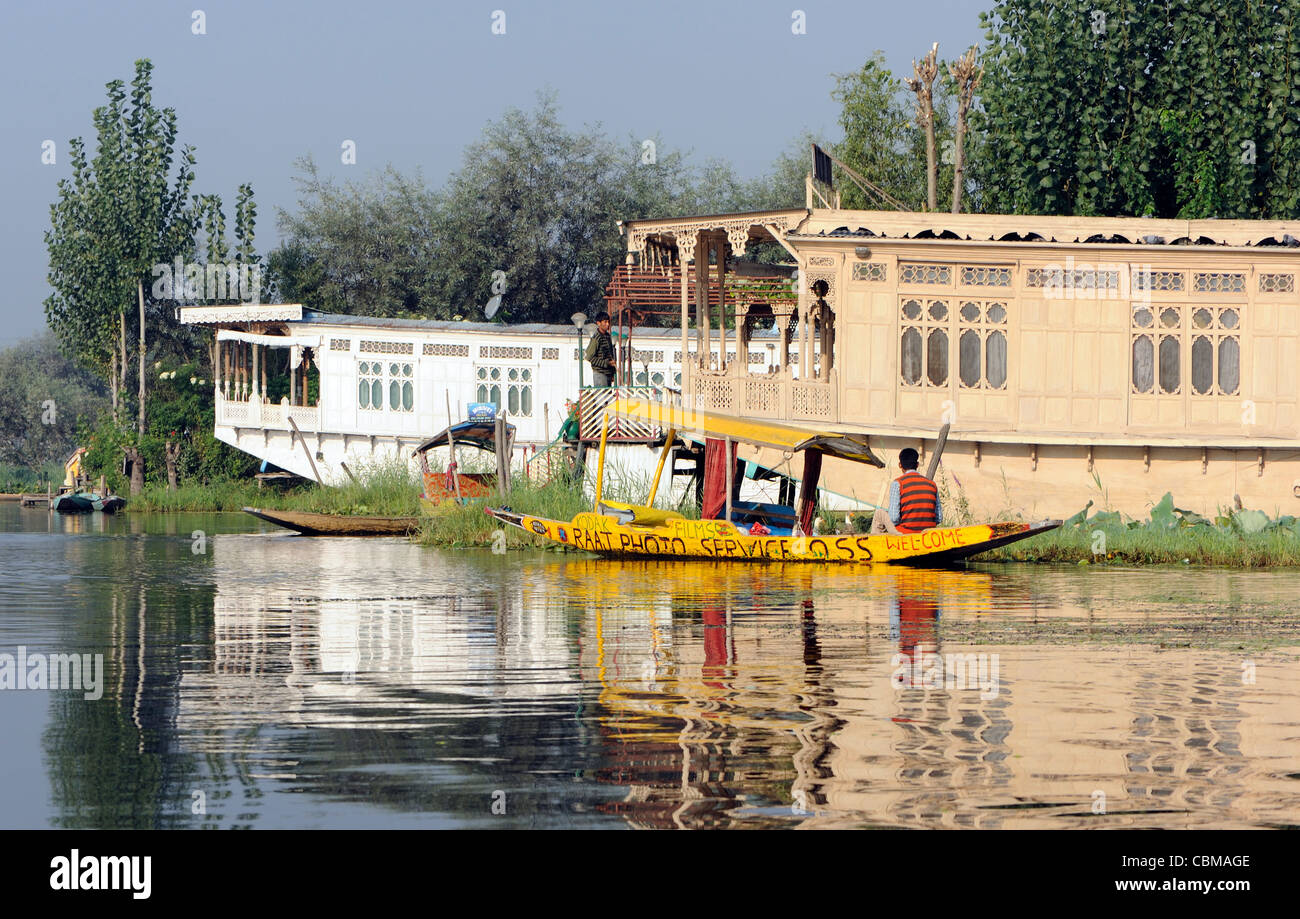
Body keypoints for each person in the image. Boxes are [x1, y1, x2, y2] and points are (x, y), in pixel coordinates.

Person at [871, 447, 942, 534]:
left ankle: (877, 544)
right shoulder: (932, 484)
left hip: (905, 534)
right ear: (917, 465)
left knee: (879, 514)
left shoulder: (898, 483)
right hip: (928, 534)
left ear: (900, 465)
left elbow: (894, 519)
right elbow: (939, 518)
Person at [585, 311, 616, 387]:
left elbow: (610, 356)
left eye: (608, 322)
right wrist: (606, 363)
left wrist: (612, 372)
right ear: (598, 323)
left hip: (608, 373)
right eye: (605, 322)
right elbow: (589, 357)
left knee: (608, 398)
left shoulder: (608, 336)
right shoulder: (596, 338)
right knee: (602, 397)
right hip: (600, 374)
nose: (608, 324)